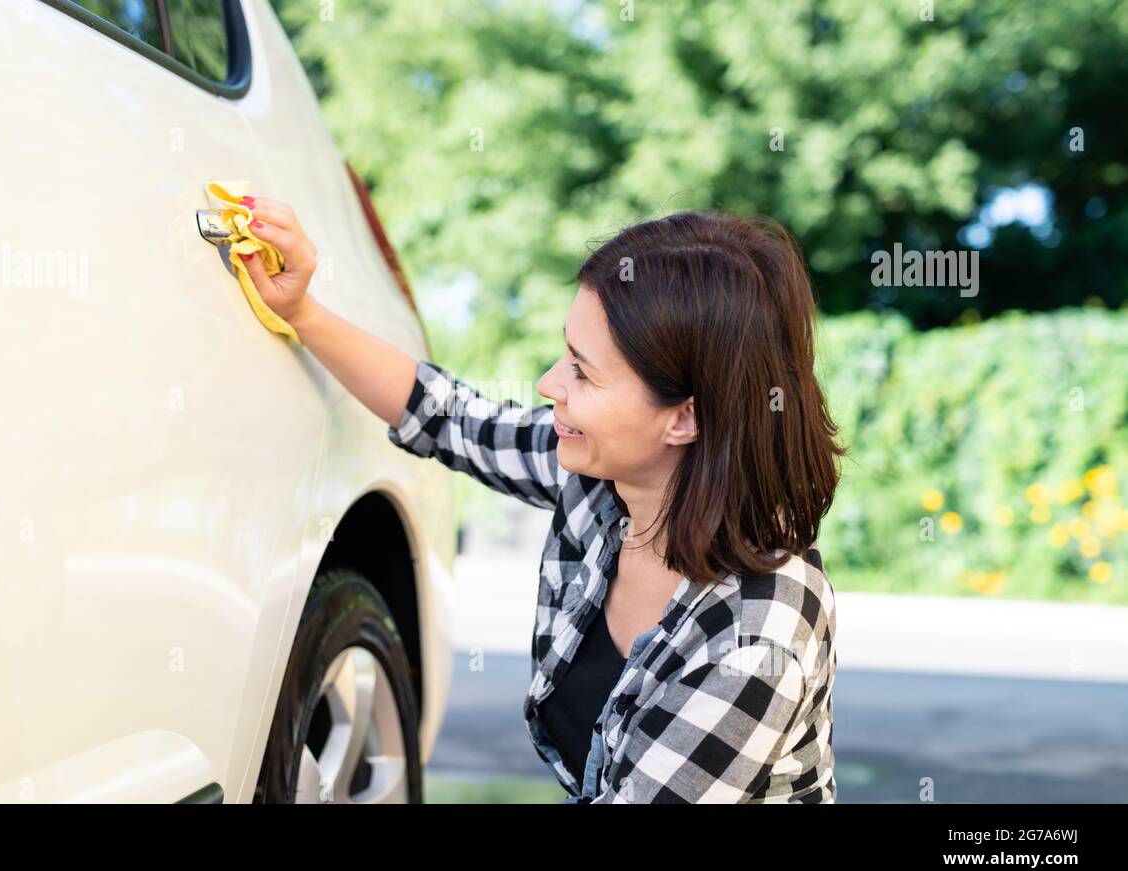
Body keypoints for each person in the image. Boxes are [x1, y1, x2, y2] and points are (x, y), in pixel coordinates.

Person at [237, 195, 843, 803]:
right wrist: (303, 312)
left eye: (583, 371)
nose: (549, 383)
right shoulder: (600, 480)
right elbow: (448, 417)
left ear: (684, 418)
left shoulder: (759, 629)